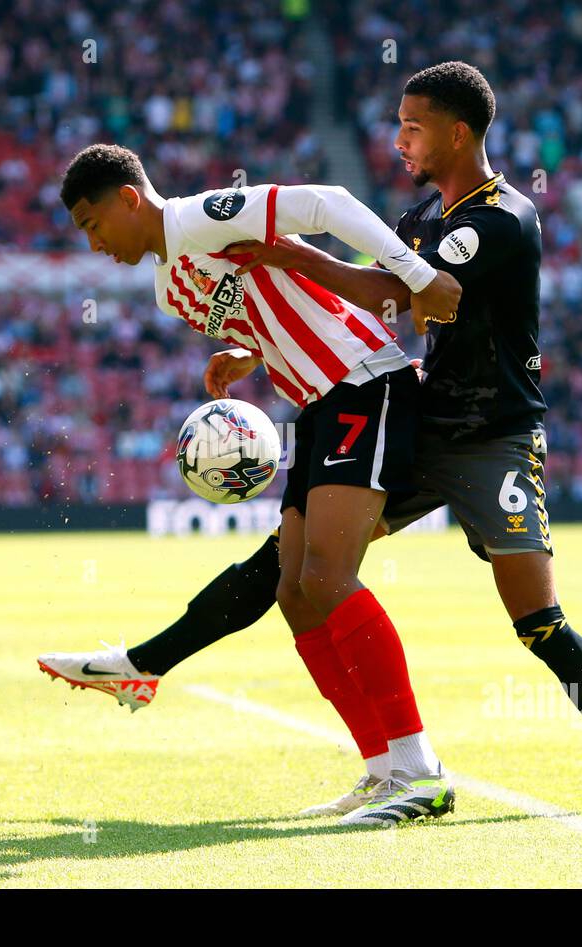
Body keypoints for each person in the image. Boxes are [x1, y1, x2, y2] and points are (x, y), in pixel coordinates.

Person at [43, 62, 582, 817]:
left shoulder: (502, 218)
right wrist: (258, 347)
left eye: (413, 127)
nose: (399, 140)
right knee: (294, 577)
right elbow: (377, 297)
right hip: (422, 414)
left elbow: (417, 287)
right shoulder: (418, 220)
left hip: (493, 434)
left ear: (458, 133)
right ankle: (382, 764)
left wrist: (297, 257)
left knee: (536, 623)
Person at [51, 142, 465, 825]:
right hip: (317, 403)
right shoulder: (168, 289)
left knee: (327, 576)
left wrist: (418, 276)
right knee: (295, 592)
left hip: (363, 378)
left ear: (128, 199)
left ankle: (420, 770)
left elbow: (328, 203)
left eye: (93, 225)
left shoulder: (202, 217)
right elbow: (278, 300)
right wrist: (250, 353)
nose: (94, 244)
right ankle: (382, 770)